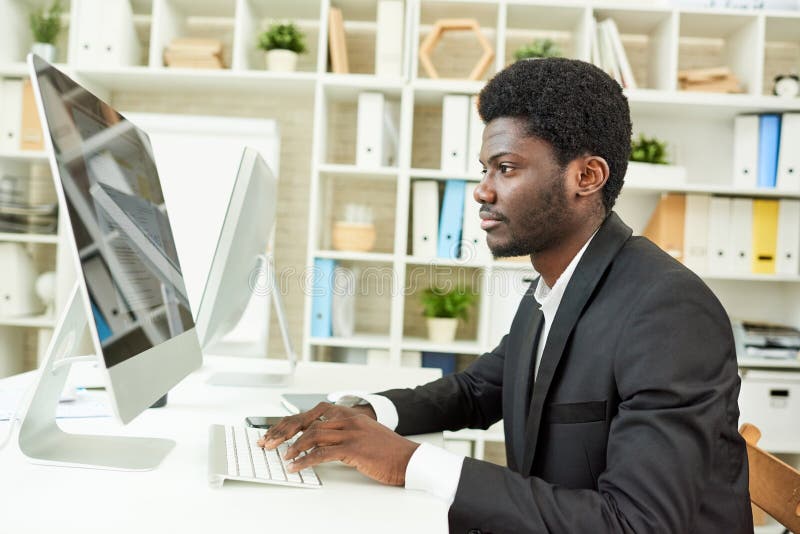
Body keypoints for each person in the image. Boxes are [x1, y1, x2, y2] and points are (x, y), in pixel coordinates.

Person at [259, 58, 752, 533]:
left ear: (587, 176)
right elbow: (478, 391)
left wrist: (409, 462)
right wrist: (366, 415)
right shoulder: (554, 287)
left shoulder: (668, 312)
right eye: (484, 170)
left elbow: (638, 524)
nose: (482, 191)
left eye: (507, 168)